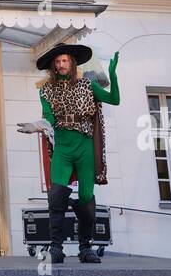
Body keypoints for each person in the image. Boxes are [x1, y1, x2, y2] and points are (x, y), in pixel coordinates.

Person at [17, 45, 120, 264]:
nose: (61, 65)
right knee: (56, 195)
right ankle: (56, 247)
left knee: (85, 198)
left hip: (84, 148)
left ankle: (86, 247)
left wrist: (113, 75)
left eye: (65, 61)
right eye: (58, 62)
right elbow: (48, 119)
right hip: (63, 148)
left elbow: (114, 100)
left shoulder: (87, 85)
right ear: (53, 66)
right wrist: (36, 126)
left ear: (72, 63)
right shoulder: (46, 90)